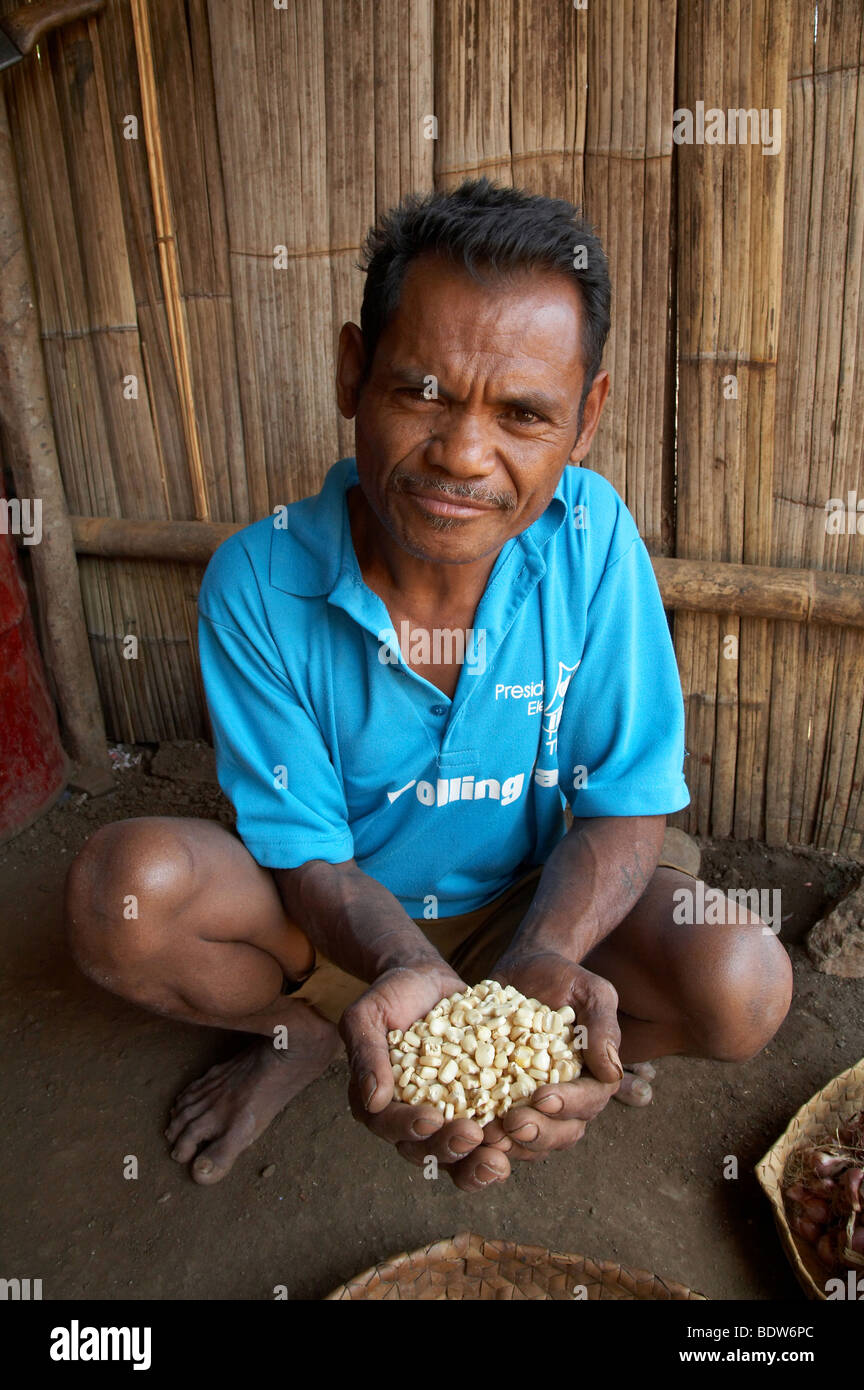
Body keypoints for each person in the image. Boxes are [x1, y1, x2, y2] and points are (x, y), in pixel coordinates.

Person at [65, 179, 793, 1191]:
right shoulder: (260, 577)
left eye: (524, 414)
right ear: (353, 371)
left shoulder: (592, 540)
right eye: (422, 391)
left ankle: (559, 1033)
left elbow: (626, 806)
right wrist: (407, 965)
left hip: (535, 896)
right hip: (340, 913)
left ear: (584, 421)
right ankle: (301, 1035)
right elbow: (310, 855)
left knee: (744, 980)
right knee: (122, 895)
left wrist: (540, 960)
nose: (461, 454)